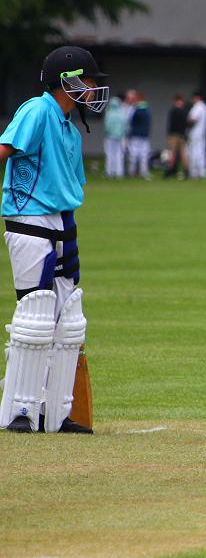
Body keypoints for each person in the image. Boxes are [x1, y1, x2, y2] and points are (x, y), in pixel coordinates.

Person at [0, 45, 109, 433]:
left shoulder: (71, 130)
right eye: (89, 81)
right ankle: (19, 411)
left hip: (64, 222)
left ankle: (56, 413)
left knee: (67, 321)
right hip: (30, 218)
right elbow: (5, 148)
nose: (93, 89)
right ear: (68, 80)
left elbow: (72, 184)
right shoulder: (38, 110)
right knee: (36, 315)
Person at [127, 92, 151, 180]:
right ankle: (144, 172)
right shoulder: (148, 109)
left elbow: (131, 121)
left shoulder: (136, 110)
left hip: (135, 135)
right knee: (144, 155)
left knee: (134, 155)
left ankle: (132, 172)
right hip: (145, 135)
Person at [103, 92, 127, 179]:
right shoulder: (122, 113)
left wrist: (107, 133)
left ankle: (109, 172)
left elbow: (107, 126)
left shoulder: (109, 113)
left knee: (109, 154)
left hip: (110, 136)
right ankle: (119, 172)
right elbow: (125, 125)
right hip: (120, 137)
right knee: (119, 154)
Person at [187, 90, 206, 179]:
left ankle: (194, 172)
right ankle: (202, 172)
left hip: (195, 133)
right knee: (201, 152)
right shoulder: (205, 107)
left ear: (197, 97)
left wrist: (187, 121)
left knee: (194, 152)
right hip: (202, 133)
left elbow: (193, 119)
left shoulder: (198, 107)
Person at [164, 93, 188, 179]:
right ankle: (186, 170)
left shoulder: (173, 111)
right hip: (182, 135)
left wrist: (169, 135)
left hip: (173, 135)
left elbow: (170, 124)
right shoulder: (184, 111)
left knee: (172, 153)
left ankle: (170, 170)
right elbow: (186, 124)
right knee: (183, 153)